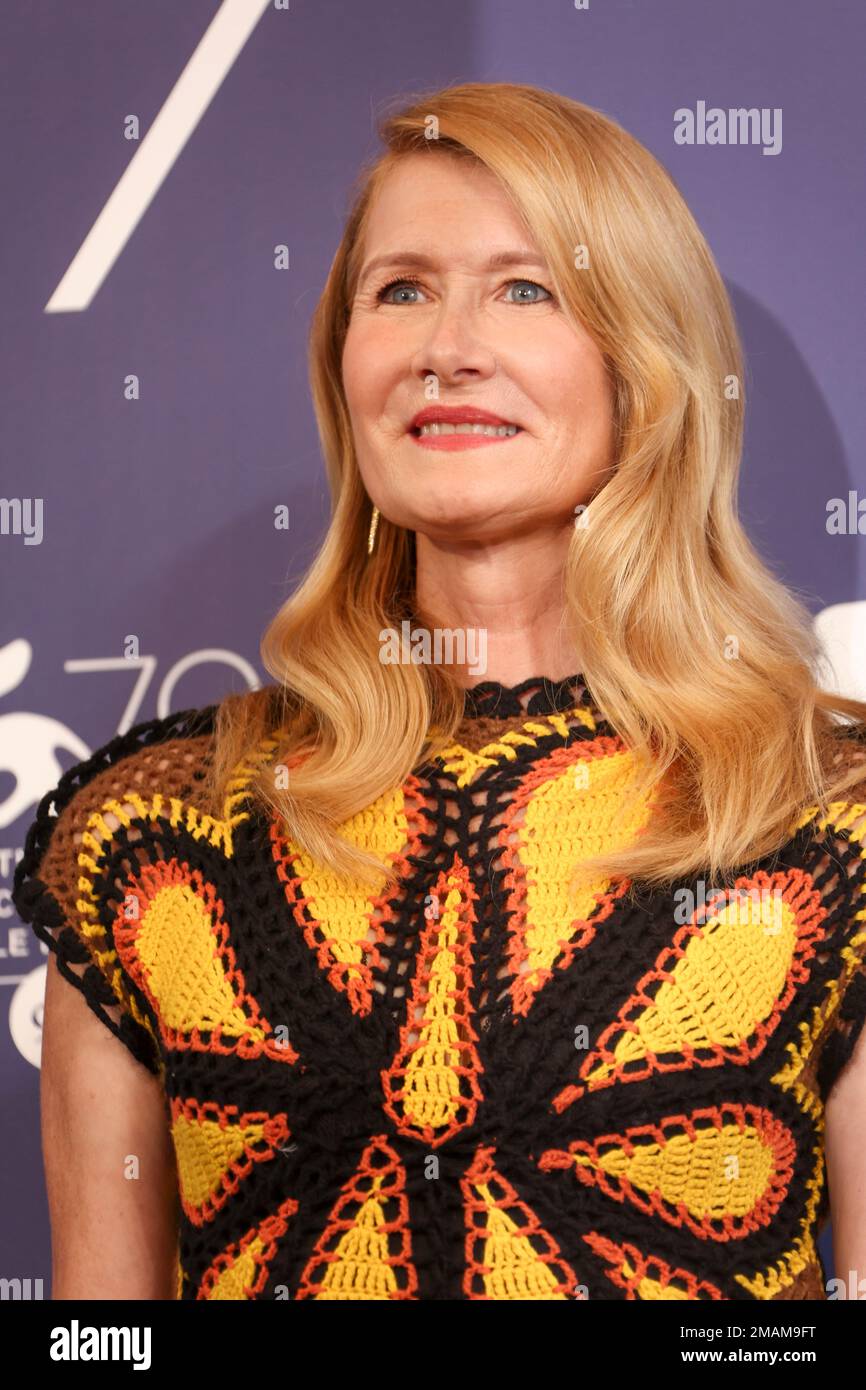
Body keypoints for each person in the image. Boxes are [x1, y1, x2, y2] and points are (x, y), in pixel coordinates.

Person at [13, 81, 866, 1302]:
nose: (445, 345)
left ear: (646, 363)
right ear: (342, 364)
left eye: (526, 288)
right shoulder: (152, 842)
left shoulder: (824, 812)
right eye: (399, 288)